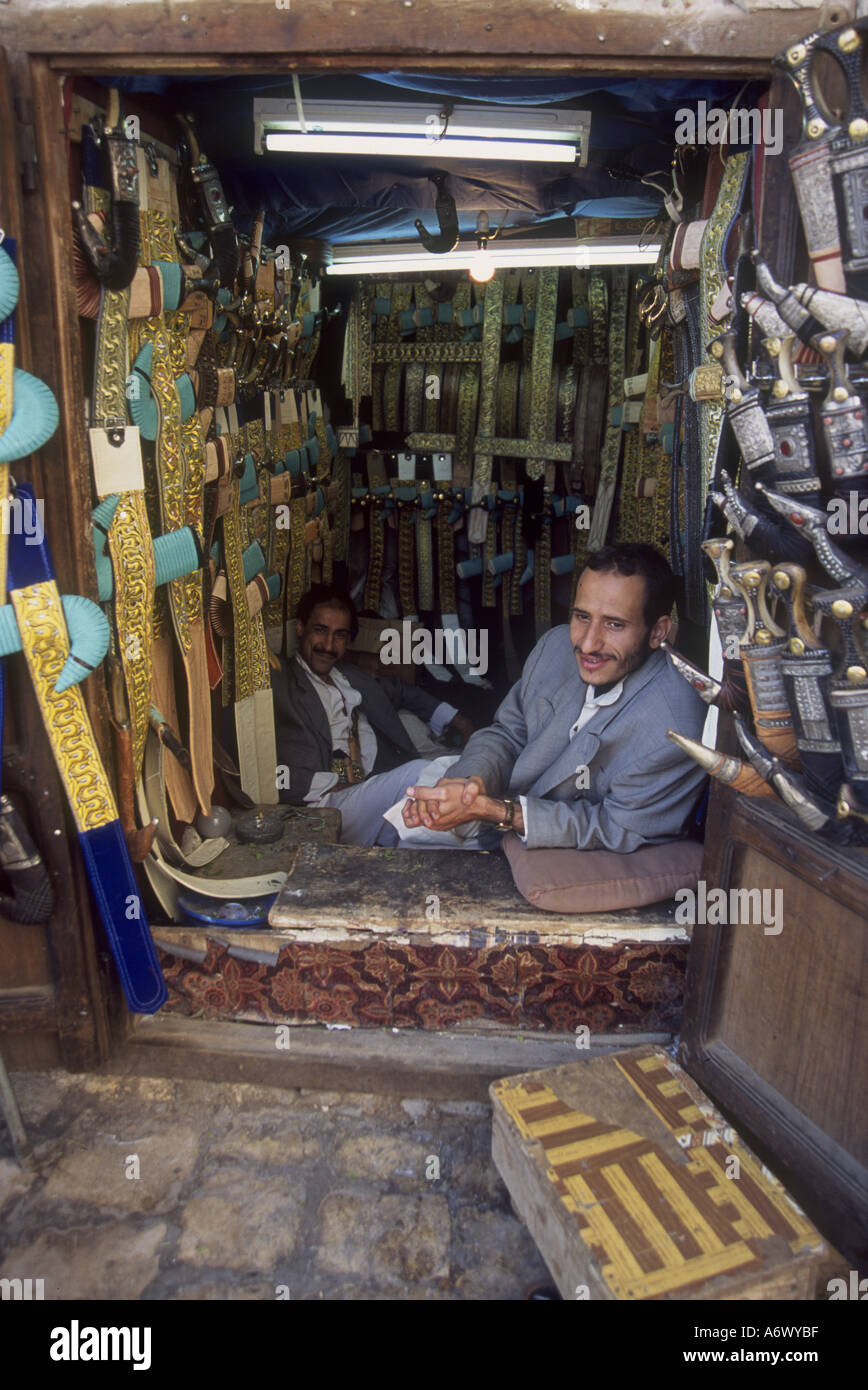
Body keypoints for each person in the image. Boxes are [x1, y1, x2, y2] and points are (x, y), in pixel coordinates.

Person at [300, 544, 708, 851]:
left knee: (400, 834)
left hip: (526, 834)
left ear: (658, 632)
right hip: (494, 802)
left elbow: (617, 828)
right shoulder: (553, 649)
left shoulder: (675, 726)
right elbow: (506, 733)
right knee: (408, 802)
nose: (587, 642)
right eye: (582, 616)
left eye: (614, 624)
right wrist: (470, 780)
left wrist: (499, 813)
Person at [272, 584, 474, 816]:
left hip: (377, 781)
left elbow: (400, 691)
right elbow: (265, 771)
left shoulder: (348, 676)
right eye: (320, 630)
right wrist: (324, 785)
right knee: (422, 775)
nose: (328, 645)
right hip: (328, 802)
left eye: (339, 635)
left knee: (461, 771)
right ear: (300, 628)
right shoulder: (282, 683)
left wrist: (458, 720)